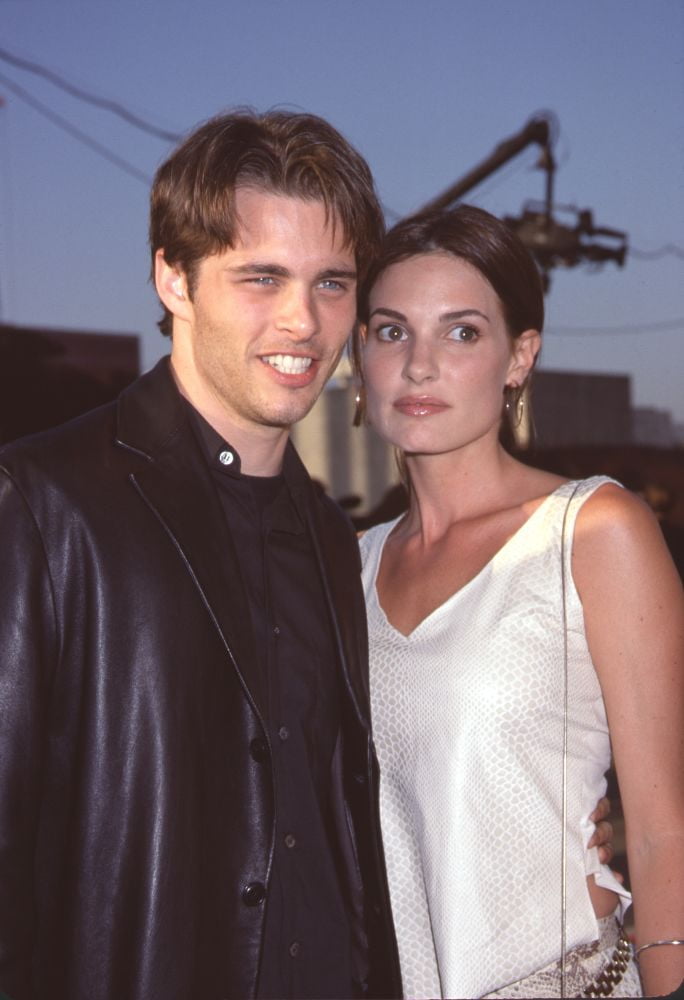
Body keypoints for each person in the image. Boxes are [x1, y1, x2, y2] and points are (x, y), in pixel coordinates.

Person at [0, 110, 402, 1000]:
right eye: (262, 277)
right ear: (172, 279)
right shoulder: (41, 502)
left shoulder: (336, 541)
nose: (304, 321)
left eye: (333, 283)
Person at [354, 205, 684, 998]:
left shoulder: (593, 530)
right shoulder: (350, 567)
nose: (420, 365)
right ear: (359, 351)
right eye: (392, 331)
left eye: (462, 332)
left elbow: (663, 825)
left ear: (519, 356)